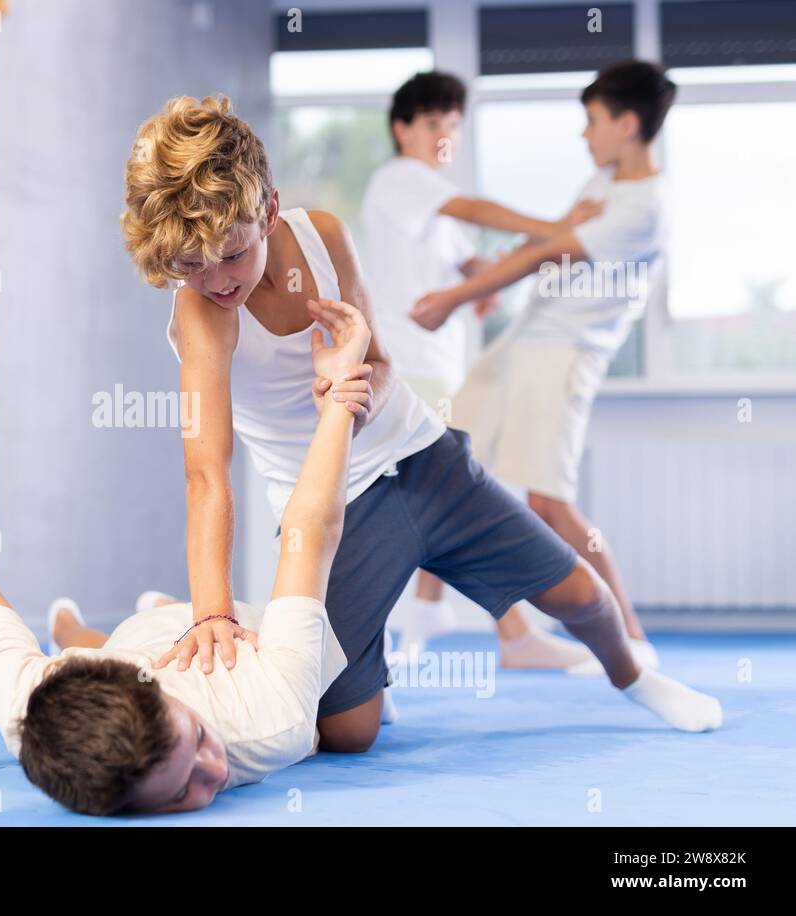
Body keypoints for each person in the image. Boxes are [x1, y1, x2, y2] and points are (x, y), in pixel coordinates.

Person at [119, 94, 719, 757]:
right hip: (330, 512)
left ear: (266, 209)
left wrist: (350, 385)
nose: (216, 280)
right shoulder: (203, 316)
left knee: (583, 595)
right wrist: (212, 610)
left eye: (231, 255)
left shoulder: (322, 237)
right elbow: (207, 473)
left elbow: (380, 363)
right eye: (190, 266)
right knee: (348, 733)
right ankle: (213, 624)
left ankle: (638, 679)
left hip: (425, 461)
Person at [0, 299, 370, 815]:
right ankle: (100, 623)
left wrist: (340, 398)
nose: (215, 770)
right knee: (111, 647)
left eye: (196, 739)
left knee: (353, 727)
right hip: (135, 648)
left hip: (232, 634)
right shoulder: (46, 722)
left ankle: (120, 616)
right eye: (180, 793)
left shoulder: (267, 718)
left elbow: (308, 532)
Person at [411, 60, 676, 674]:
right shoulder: (604, 178)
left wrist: (451, 301)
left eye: (593, 122)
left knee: (548, 503)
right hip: (524, 343)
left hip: (564, 353)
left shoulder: (647, 205)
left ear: (628, 124)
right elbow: (548, 240)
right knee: (440, 456)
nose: (585, 135)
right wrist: (478, 278)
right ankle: (437, 612)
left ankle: (631, 638)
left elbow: (553, 251)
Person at [363, 70, 607, 667]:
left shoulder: (437, 216)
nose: (444, 135)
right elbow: (477, 207)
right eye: (431, 124)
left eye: (452, 125)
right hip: (407, 364)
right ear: (402, 130)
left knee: (435, 492)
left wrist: (485, 282)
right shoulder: (401, 181)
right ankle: (503, 630)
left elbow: (477, 265)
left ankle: (440, 619)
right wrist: (559, 226)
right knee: (446, 492)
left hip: (440, 369)